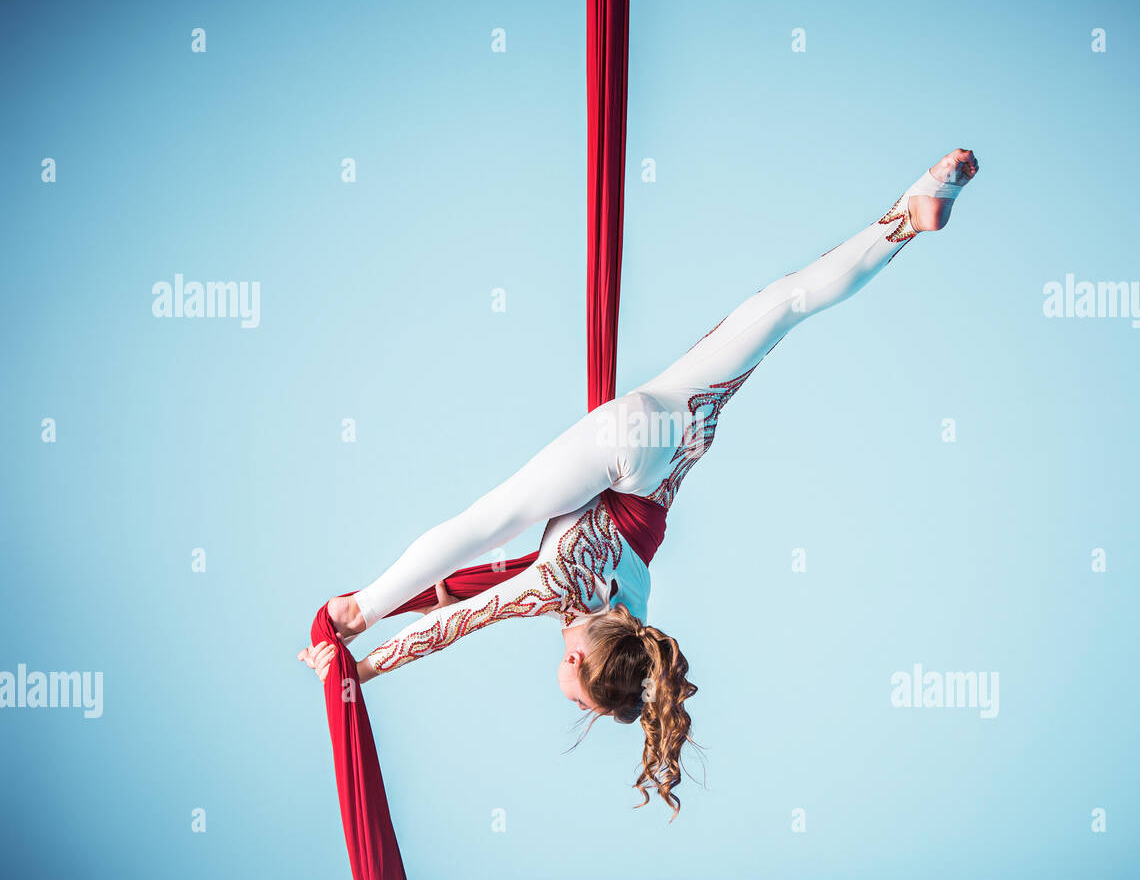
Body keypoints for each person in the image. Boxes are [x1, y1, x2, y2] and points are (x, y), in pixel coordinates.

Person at [300, 148, 980, 817]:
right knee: (490, 516)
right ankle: (363, 603)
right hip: (624, 449)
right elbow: (456, 622)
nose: (568, 695)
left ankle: (906, 217)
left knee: (779, 310)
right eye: (576, 692)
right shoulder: (556, 589)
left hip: (679, 438)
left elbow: (497, 610)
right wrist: (362, 661)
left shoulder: (636, 617)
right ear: (576, 654)